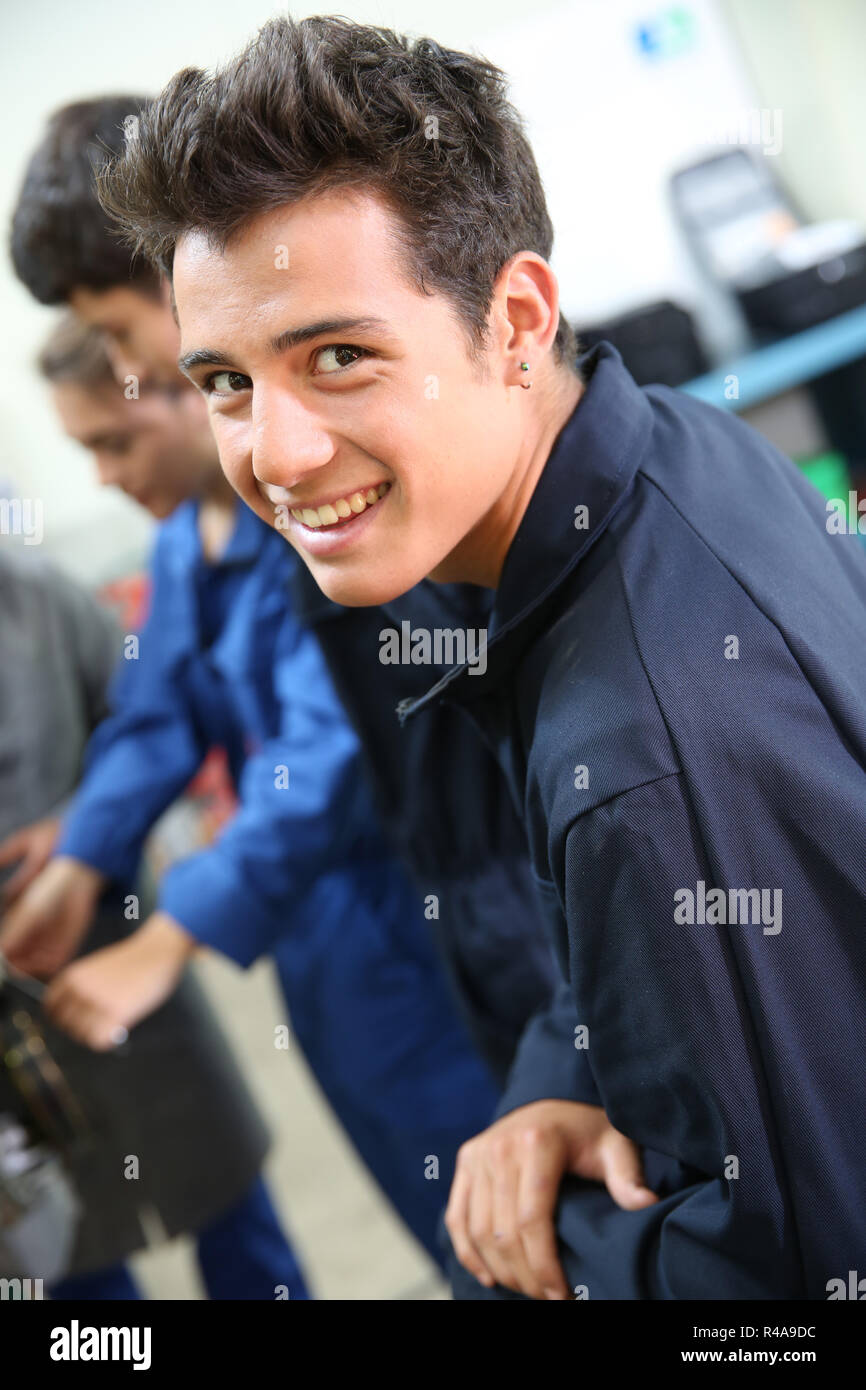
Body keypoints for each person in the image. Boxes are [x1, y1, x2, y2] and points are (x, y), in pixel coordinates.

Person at [98, 14, 866, 1302]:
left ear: (512, 320)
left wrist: (531, 1252)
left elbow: (792, 1276)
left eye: (337, 357)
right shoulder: (653, 445)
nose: (273, 455)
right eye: (225, 381)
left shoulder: (639, 764)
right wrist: (565, 1075)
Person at [1, 306, 500, 1272]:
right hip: (312, 947)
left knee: (499, 1202)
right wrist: (76, 858)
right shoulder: (188, 546)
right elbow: (156, 716)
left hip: (407, 913)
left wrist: (169, 935)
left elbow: (332, 750)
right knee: (435, 1213)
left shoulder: (312, 529)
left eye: (115, 442)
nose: (104, 475)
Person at [0, 544, 307, 1301]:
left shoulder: (35, 594)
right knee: (55, 1252)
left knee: (222, 1190)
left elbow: (149, 727)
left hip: (112, 945)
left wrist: (79, 835)